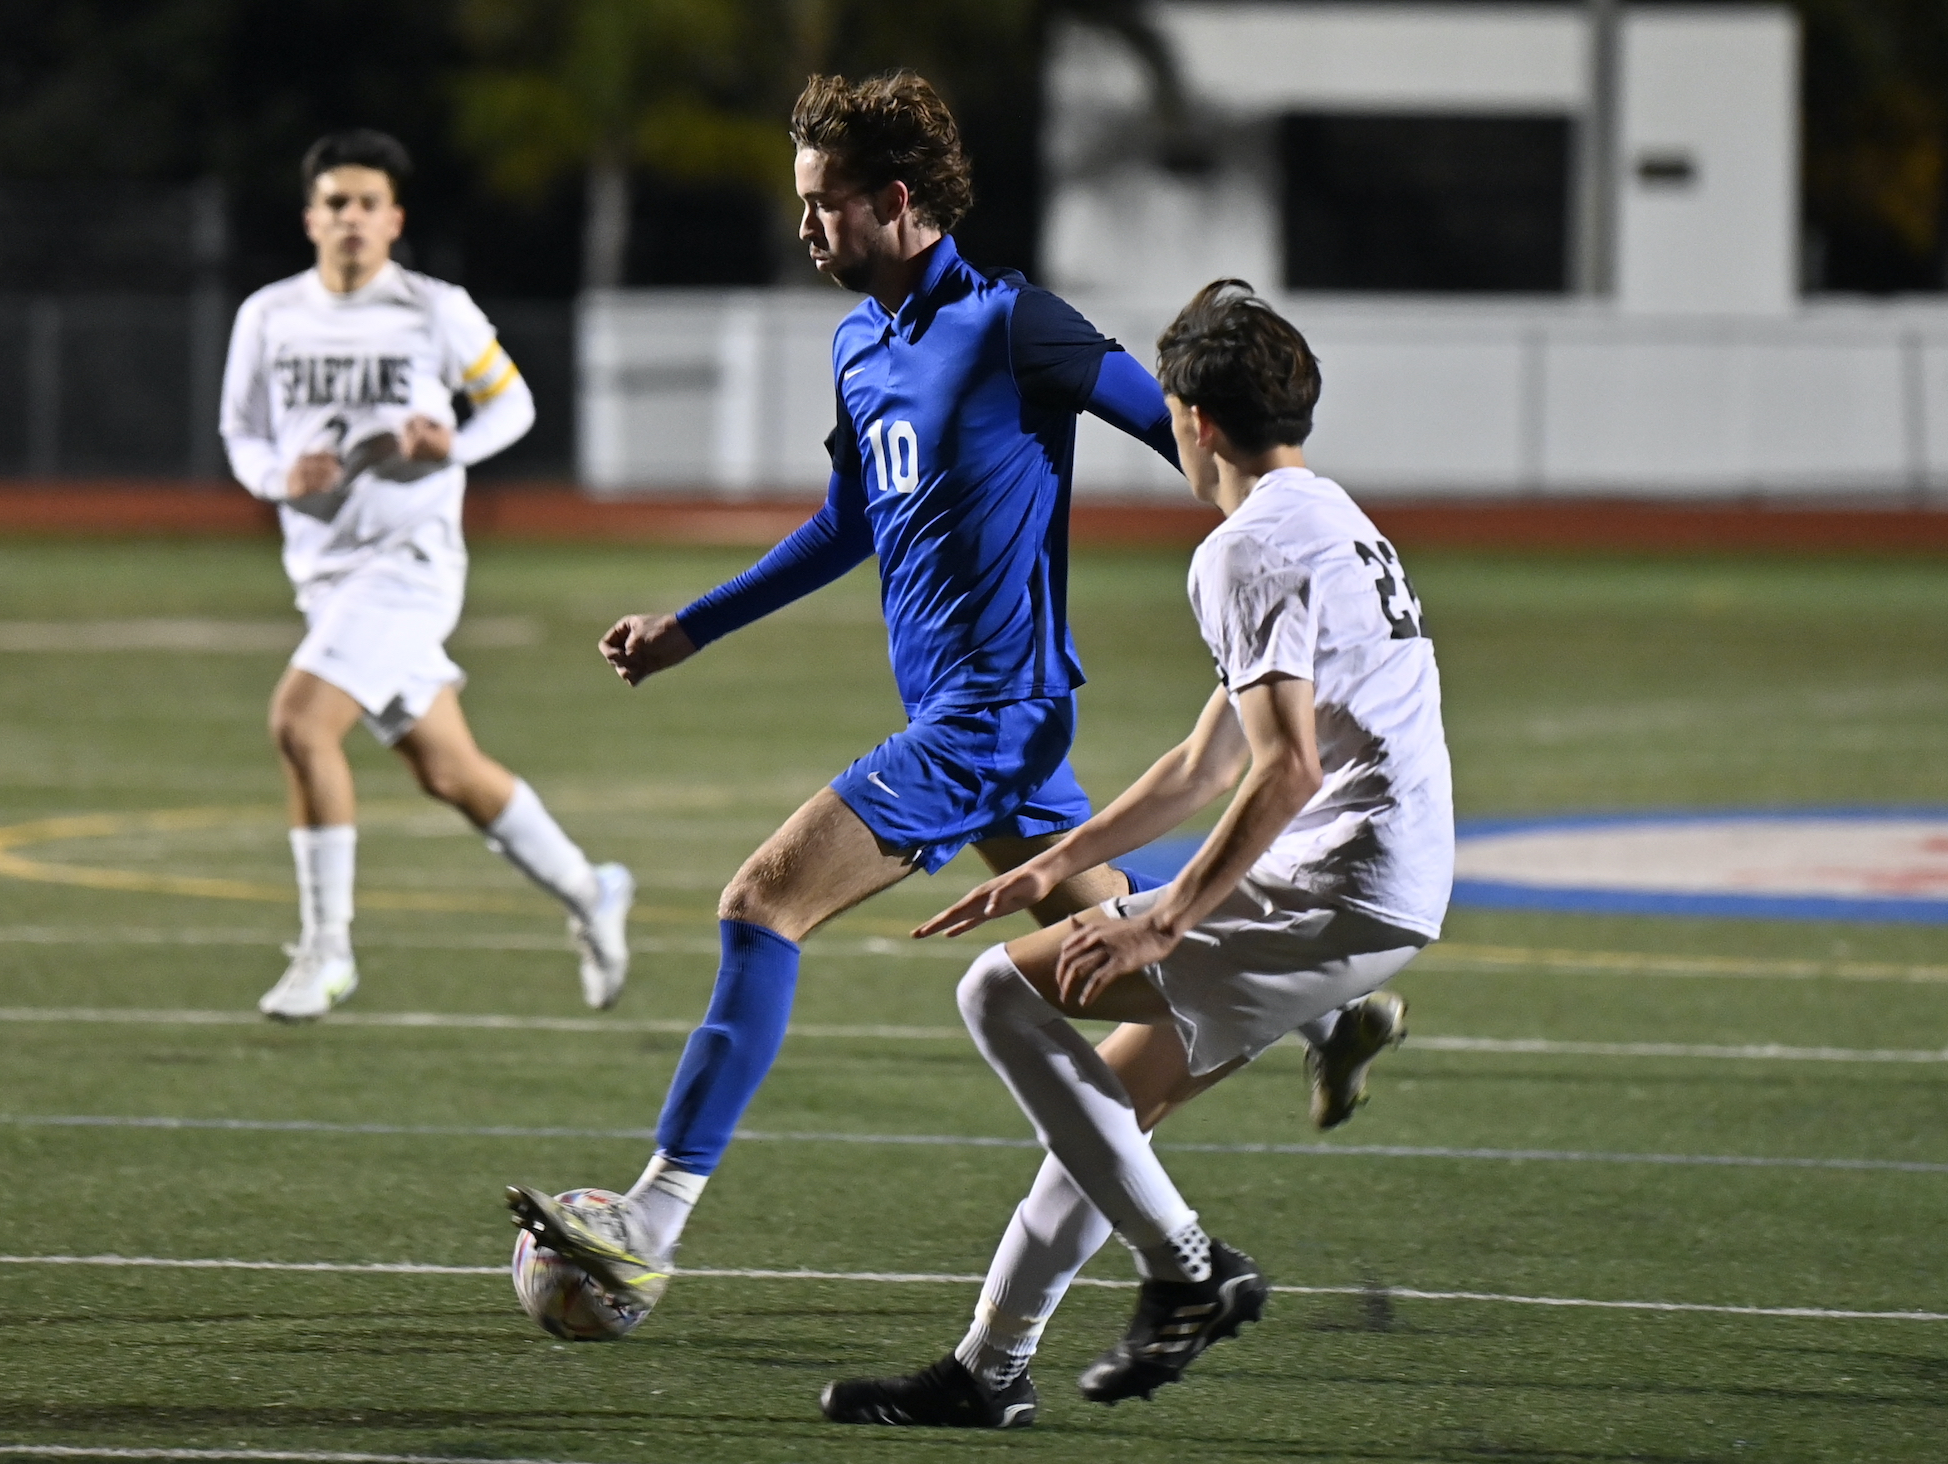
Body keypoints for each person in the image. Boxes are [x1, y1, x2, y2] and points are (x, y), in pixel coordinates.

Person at [503, 71, 1188, 1316]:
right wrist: (689, 630)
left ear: (897, 199)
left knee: (761, 903)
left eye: (823, 205)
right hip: (990, 732)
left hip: (990, 715)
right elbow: (846, 523)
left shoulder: (1013, 323)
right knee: (1141, 961)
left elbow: (1178, 429)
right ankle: (1320, 1001)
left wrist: (1276, 540)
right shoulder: (859, 341)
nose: (805, 227)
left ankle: (649, 1218)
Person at [819, 279, 1453, 1429]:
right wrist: (1054, 859)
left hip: (1338, 885)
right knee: (1103, 1112)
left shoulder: (1244, 549)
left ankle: (1189, 1269)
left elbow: (1285, 771)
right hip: (1379, 889)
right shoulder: (1329, 517)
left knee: (997, 998)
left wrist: (1158, 917)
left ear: (1193, 421)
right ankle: (988, 1371)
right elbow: (1207, 758)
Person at [219, 129, 633, 1022]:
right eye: (336, 203)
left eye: (369, 204)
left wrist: (456, 444)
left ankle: (327, 952)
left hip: (409, 569)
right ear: (310, 219)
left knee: (299, 721)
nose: (353, 219)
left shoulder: (432, 308)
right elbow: (242, 435)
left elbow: (512, 403)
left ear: (394, 219)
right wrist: (275, 479)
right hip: (324, 576)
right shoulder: (268, 316)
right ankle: (591, 890)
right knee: (451, 772)